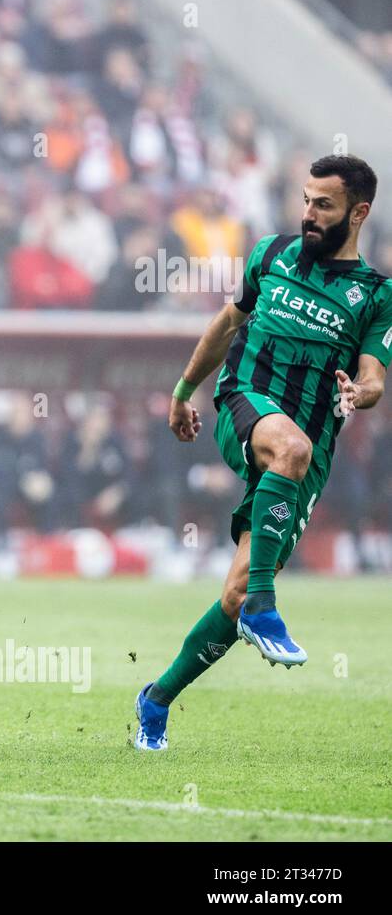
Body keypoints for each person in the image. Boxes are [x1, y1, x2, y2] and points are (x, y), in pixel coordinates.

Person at [137, 155, 392, 750]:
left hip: (304, 457)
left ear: (358, 213)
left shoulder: (377, 295)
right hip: (242, 406)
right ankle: (265, 604)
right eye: (305, 200)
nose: (308, 214)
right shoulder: (270, 255)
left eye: (322, 205)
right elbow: (227, 324)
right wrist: (181, 391)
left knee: (232, 593)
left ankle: (156, 699)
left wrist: (362, 390)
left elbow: (376, 376)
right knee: (292, 450)